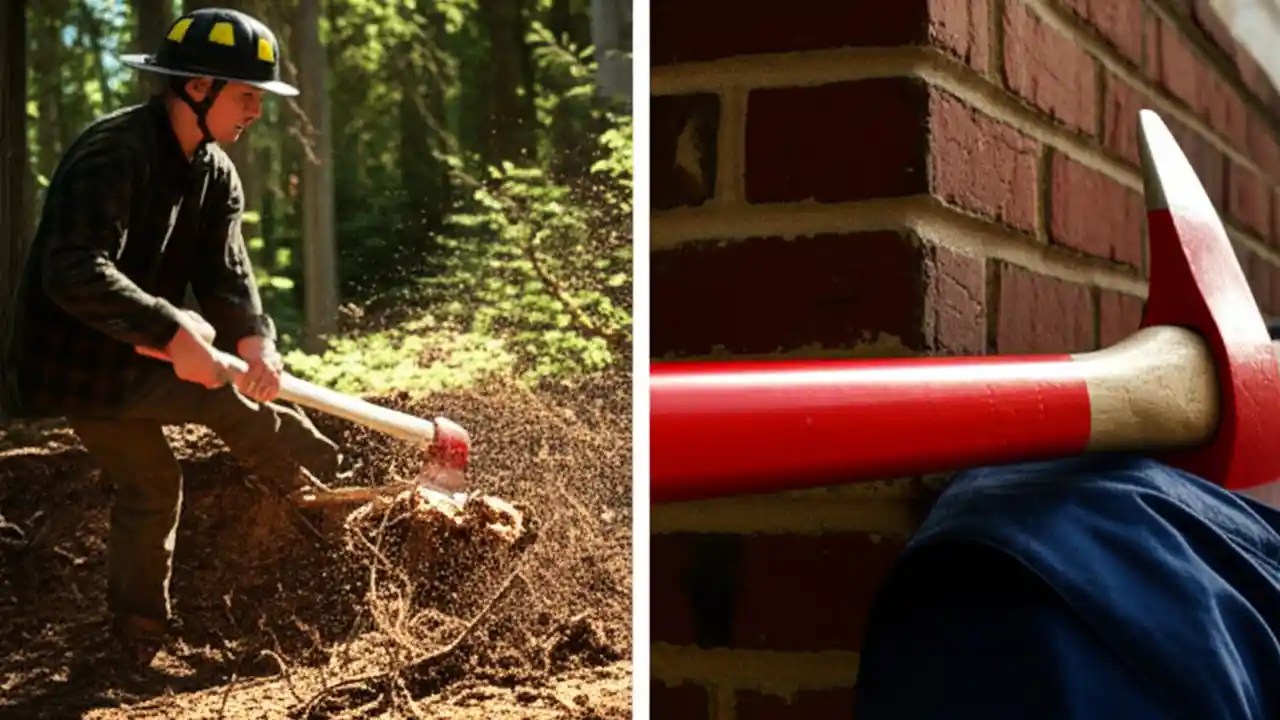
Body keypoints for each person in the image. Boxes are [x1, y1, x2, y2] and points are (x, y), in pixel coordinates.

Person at [0, 7, 343, 672]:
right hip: (75, 363)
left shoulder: (215, 174)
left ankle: (134, 642)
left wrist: (256, 344)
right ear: (197, 88)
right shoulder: (113, 153)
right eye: (247, 97)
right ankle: (330, 497)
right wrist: (169, 329)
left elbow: (226, 277)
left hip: (137, 353)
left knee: (154, 482)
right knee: (216, 404)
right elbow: (70, 269)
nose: (255, 113)